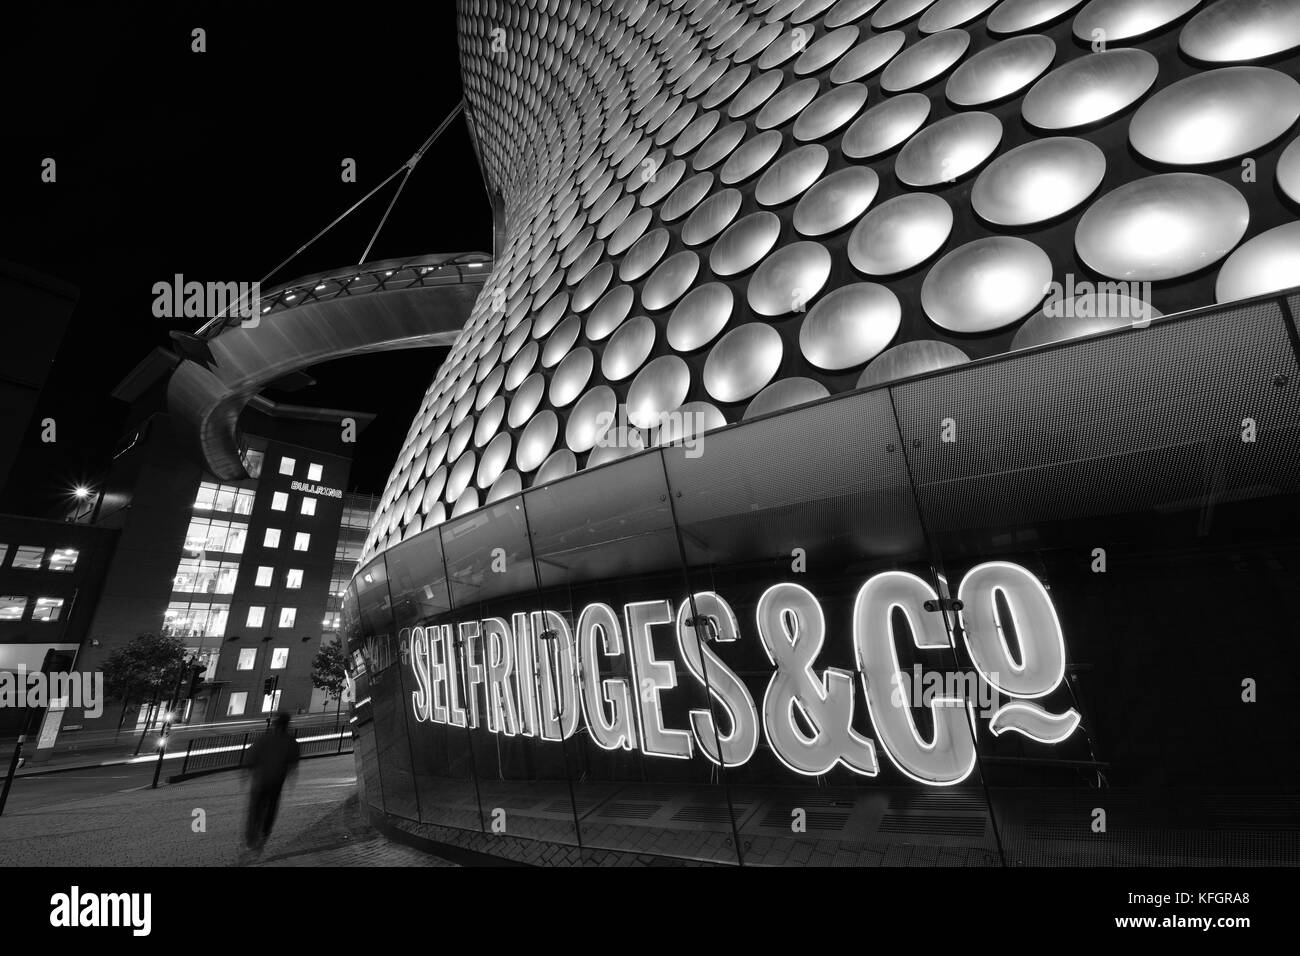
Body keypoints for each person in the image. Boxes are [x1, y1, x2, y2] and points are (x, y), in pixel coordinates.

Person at [242, 712, 300, 858]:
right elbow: (293, 763)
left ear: (276, 724)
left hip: (260, 781)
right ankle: (263, 835)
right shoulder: (290, 741)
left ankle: (250, 840)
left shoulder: (264, 738)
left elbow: (251, 756)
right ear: (287, 725)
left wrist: (245, 774)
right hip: (276, 782)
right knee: (270, 810)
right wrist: (291, 780)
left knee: (255, 810)